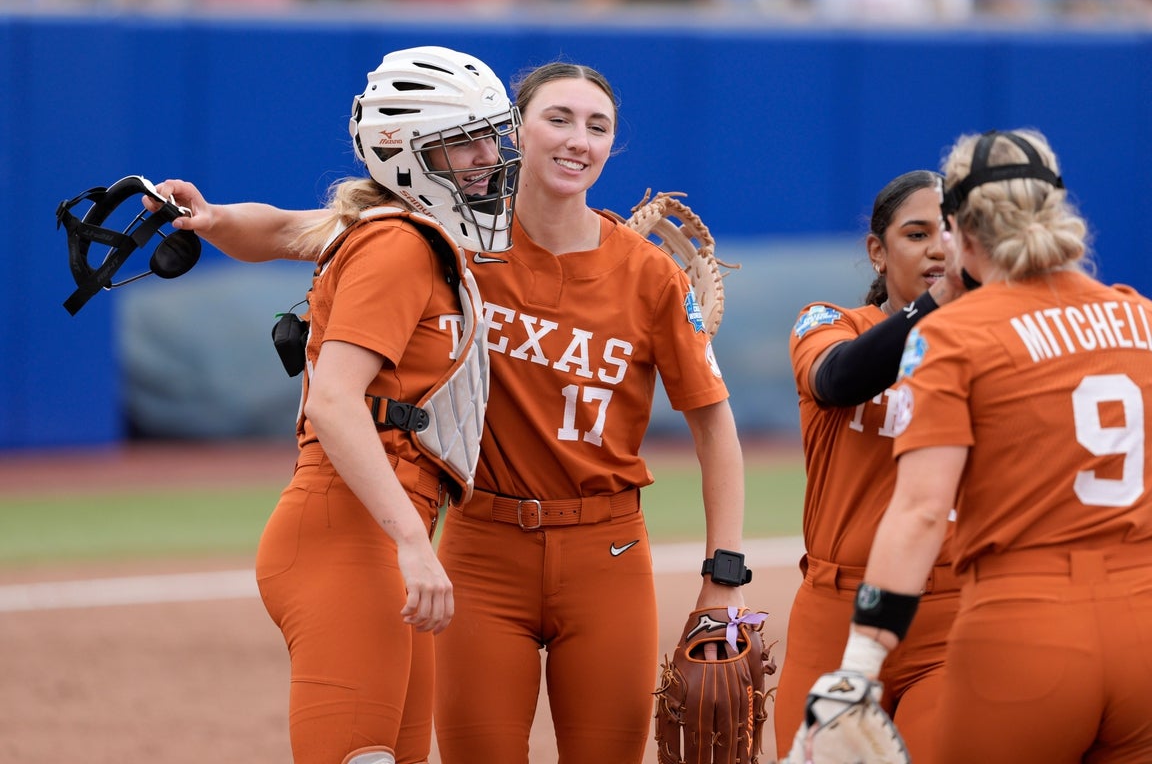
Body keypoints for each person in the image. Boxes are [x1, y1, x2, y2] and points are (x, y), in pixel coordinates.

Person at [151, 61, 748, 764]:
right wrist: (215, 219)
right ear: (512, 132)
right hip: (479, 545)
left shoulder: (648, 274)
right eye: (558, 118)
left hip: (607, 550)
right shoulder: (446, 232)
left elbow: (714, 425)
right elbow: (288, 229)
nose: (578, 139)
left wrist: (724, 574)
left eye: (598, 126)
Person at [214, 46, 520, 764]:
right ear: (406, 154)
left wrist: (211, 218)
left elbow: (286, 228)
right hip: (350, 533)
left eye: (490, 135)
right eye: (463, 141)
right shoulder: (400, 246)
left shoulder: (391, 226)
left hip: (372, 529)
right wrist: (412, 545)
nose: (488, 156)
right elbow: (335, 403)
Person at [819, 128, 1152, 761]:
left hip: (1026, 624)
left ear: (957, 229)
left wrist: (860, 664)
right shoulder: (1139, 315)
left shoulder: (952, 335)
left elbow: (919, 512)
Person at [775, 169, 966, 761]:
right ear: (877, 252)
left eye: (954, 231)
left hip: (953, 613)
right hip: (836, 610)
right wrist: (939, 303)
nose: (939, 247)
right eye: (917, 233)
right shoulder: (832, 323)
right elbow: (838, 379)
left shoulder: (990, 344)